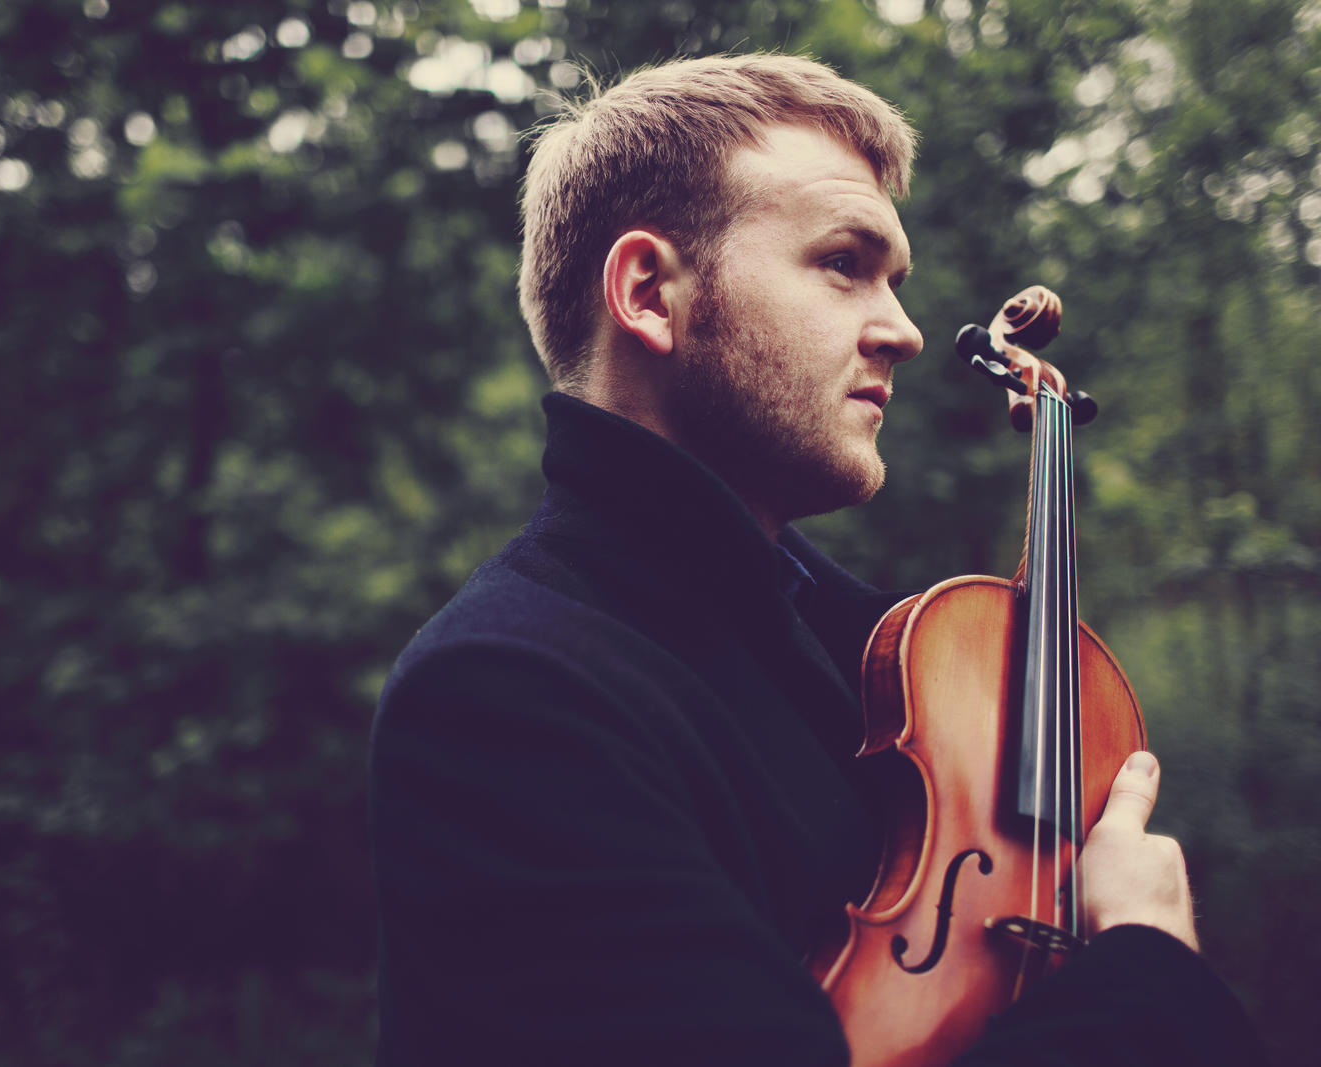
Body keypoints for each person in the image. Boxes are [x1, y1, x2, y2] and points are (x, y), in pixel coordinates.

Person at [369, 54, 1259, 1065]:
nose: (907, 331)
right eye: (844, 262)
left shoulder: (888, 658)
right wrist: (1144, 962)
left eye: (896, 281)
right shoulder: (507, 695)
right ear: (650, 293)